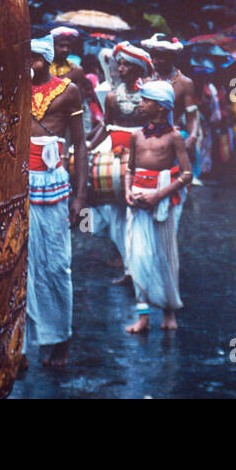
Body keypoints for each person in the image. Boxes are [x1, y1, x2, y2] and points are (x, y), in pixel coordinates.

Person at [27, 37, 86, 369]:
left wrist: (81, 196)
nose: (29, 63)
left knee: (56, 265)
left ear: (47, 59)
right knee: (22, 264)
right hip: (21, 184)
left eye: (35, 58)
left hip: (53, 185)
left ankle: (60, 339)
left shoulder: (69, 90)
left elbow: (79, 143)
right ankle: (20, 347)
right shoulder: (15, 87)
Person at [124, 81, 192, 333]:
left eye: (145, 100)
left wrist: (159, 195)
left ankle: (169, 311)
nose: (140, 104)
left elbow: (186, 175)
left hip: (163, 200)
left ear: (161, 108)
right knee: (138, 256)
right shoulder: (136, 135)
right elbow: (130, 169)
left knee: (165, 255)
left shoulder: (175, 137)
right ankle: (142, 316)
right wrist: (128, 191)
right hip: (139, 199)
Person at [85, 43, 153, 282]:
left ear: (138, 70)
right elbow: (106, 126)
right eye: (119, 64)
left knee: (140, 216)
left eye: (126, 65)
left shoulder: (149, 97)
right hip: (115, 157)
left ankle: (142, 269)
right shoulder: (112, 98)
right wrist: (89, 148)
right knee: (117, 218)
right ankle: (128, 269)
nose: (120, 69)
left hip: (141, 159)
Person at [140, 35, 200, 160]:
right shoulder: (146, 80)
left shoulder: (185, 83)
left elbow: (191, 116)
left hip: (173, 139)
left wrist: (192, 136)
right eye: (153, 56)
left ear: (172, 57)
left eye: (160, 57)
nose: (155, 61)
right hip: (146, 138)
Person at [49, 26, 98, 138]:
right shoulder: (43, 68)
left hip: (67, 121)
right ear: (53, 46)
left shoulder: (76, 70)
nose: (65, 50)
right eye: (61, 46)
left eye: (68, 46)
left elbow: (78, 100)